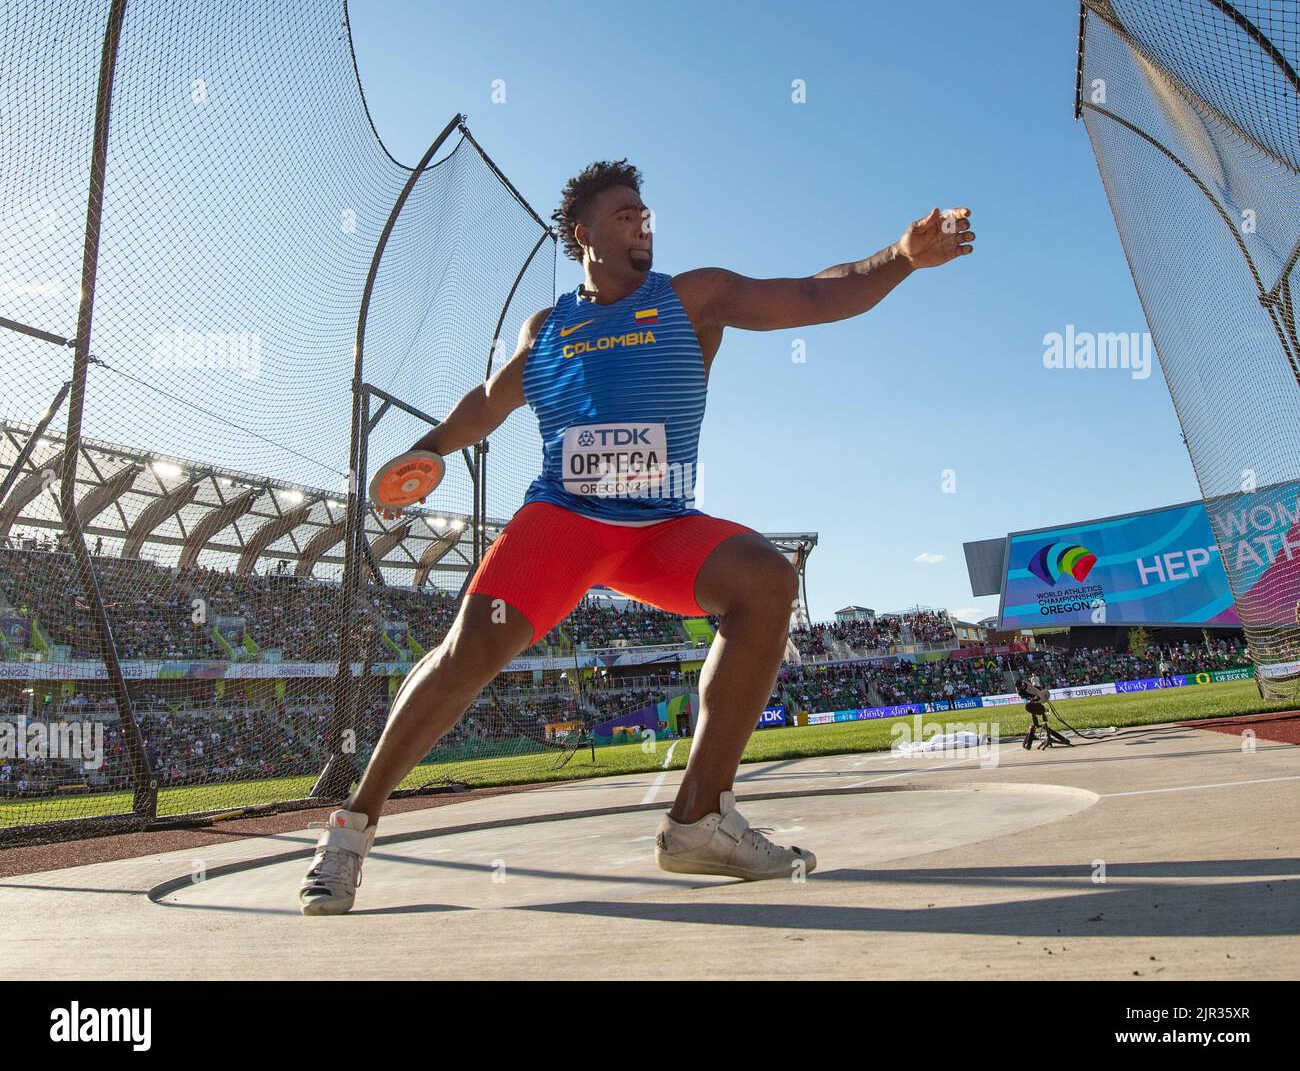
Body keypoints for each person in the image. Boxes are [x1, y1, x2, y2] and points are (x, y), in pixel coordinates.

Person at [299, 159, 974, 915]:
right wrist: (428, 453)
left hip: (659, 527)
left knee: (766, 581)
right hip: (564, 520)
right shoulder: (549, 327)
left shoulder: (694, 297)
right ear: (583, 234)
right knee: (470, 650)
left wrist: (902, 257)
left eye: (646, 214)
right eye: (625, 214)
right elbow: (490, 402)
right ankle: (349, 833)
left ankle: (698, 818)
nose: (642, 223)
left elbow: (817, 293)